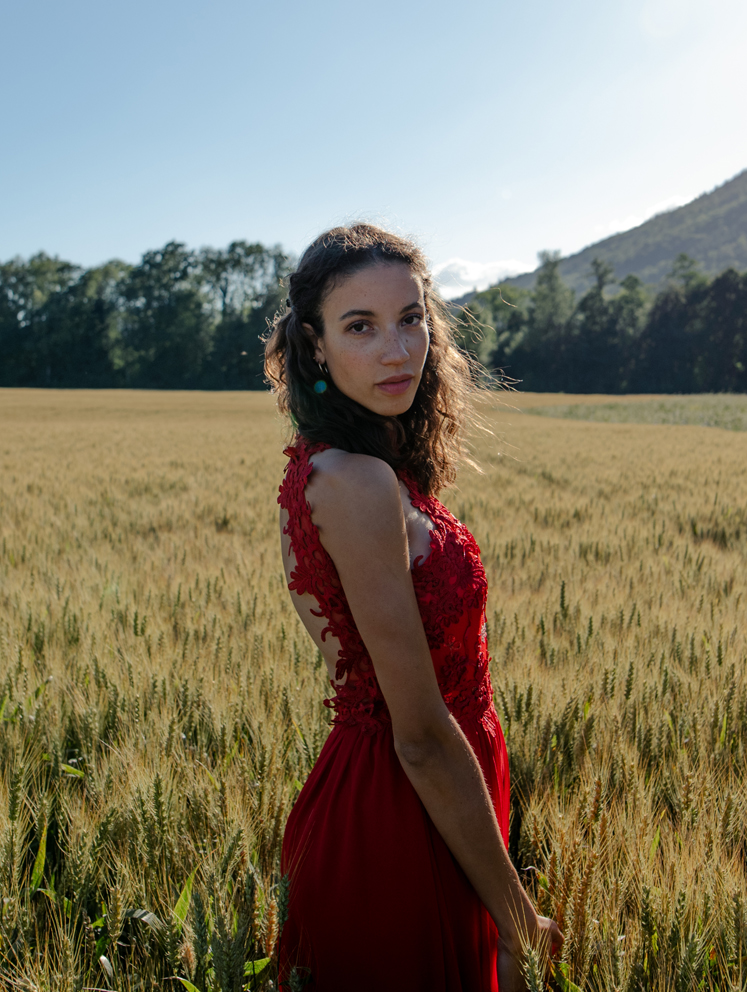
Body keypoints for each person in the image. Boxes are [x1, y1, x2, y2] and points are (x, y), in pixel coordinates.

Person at [265, 223, 561, 990]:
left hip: (437, 809)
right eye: (360, 326)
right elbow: (421, 735)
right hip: (402, 824)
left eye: (410, 318)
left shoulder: (345, 465)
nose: (397, 350)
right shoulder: (357, 484)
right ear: (315, 344)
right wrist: (517, 915)